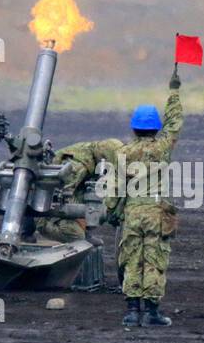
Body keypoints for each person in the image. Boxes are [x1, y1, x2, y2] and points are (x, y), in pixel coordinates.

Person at [106, 68, 183, 327]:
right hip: (156, 212)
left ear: (134, 127)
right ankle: (152, 313)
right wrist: (174, 92)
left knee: (130, 258)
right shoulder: (162, 148)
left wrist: (112, 211)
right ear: (154, 128)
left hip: (132, 213)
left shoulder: (124, 152)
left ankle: (131, 312)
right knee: (154, 259)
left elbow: (115, 188)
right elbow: (174, 123)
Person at [35, 137, 124, 243]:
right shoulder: (78, 167)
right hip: (44, 210)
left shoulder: (91, 153)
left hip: (57, 199)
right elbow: (61, 195)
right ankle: (38, 226)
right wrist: (81, 218)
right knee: (78, 237)